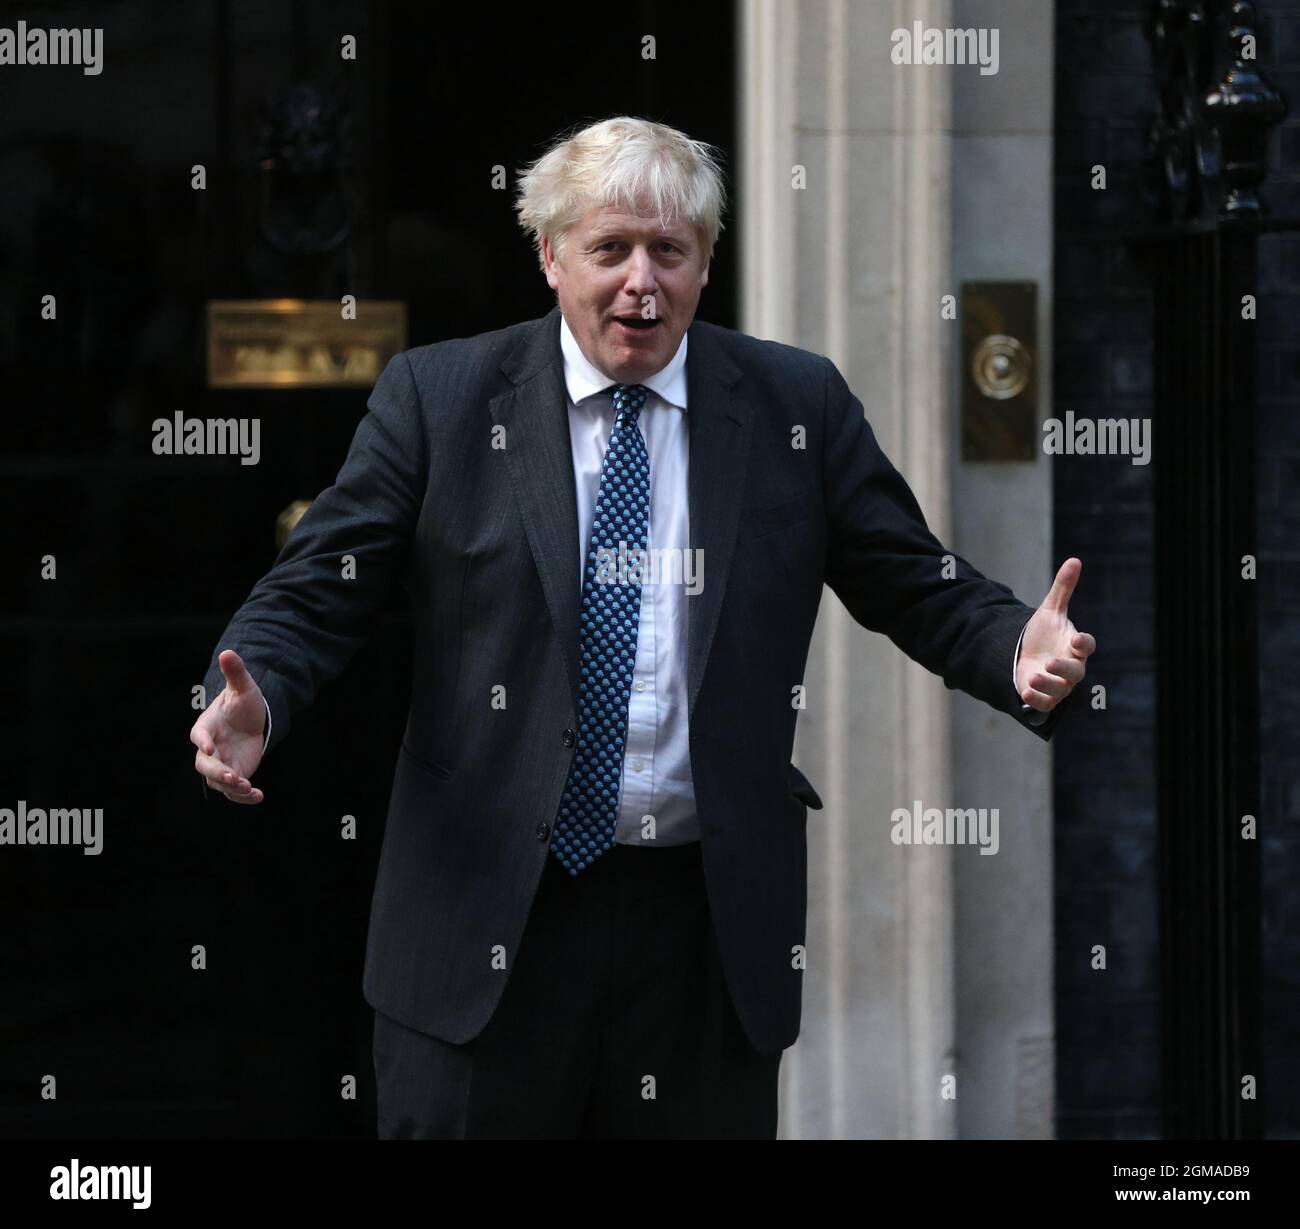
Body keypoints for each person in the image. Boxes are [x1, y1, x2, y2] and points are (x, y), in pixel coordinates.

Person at [190, 115, 1095, 1139]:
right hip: (490, 914)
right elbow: (322, 581)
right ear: (549, 255)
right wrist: (256, 683)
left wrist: (1010, 645)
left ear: (706, 265)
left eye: (669, 251)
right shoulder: (441, 399)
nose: (640, 281)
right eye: (609, 248)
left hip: (701, 928)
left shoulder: (794, 402)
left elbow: (910, 578)